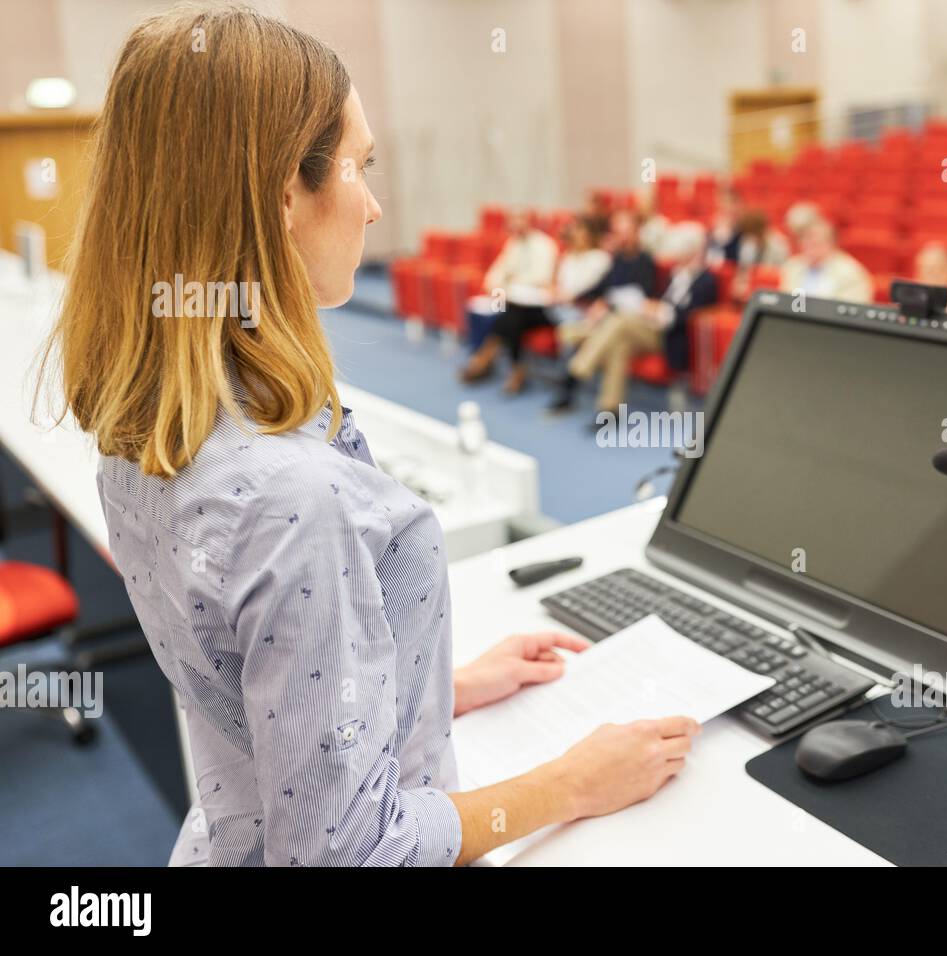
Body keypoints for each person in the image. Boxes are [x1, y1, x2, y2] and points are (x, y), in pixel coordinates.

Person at [40, 6, 697, 868]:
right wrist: (574, 782)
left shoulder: (151, 416)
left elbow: (259, 693)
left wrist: (438, 691)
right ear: (284, 194)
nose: (376, 204)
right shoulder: (288, 496)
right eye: (361, 167)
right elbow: (349, 850)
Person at [551, 222, 717, 421]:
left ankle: (579, 368)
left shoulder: (707, 281)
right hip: (646, 326)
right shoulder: (675, 274)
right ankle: (610, 410)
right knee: (620, 346)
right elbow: (659, 299)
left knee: (619, 320)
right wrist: (652, 307)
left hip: (668, 335)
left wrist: (661, 311)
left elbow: (689, 316)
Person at [458, 209, 558, 392]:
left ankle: (485, 360)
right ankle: (512, 369)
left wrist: (510, 283)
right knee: (506, 316)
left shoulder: (545, 245)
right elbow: (498, 272)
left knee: (510, 317)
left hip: (539, 307)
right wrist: (497, 285)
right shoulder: (513, 244)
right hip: (514, 302)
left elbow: (541, 278)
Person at [779, 217, 873, 304]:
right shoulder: (792, 267)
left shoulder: (851, 273)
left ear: (831, 243)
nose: (809, 247)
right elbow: (785, 304)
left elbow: (852, 312)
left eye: (816, 243)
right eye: (806, 241)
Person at [548, 217, 611, 327]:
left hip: (583, 306)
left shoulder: (600, 257)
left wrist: (570, 296)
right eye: (574, 232)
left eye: (579, 231)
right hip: (559, 304)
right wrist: (554, 291)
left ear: (590, 235)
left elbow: (592, 287)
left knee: (569, 321)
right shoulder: (568, 257)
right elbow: (558, 283)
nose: (575, 236)